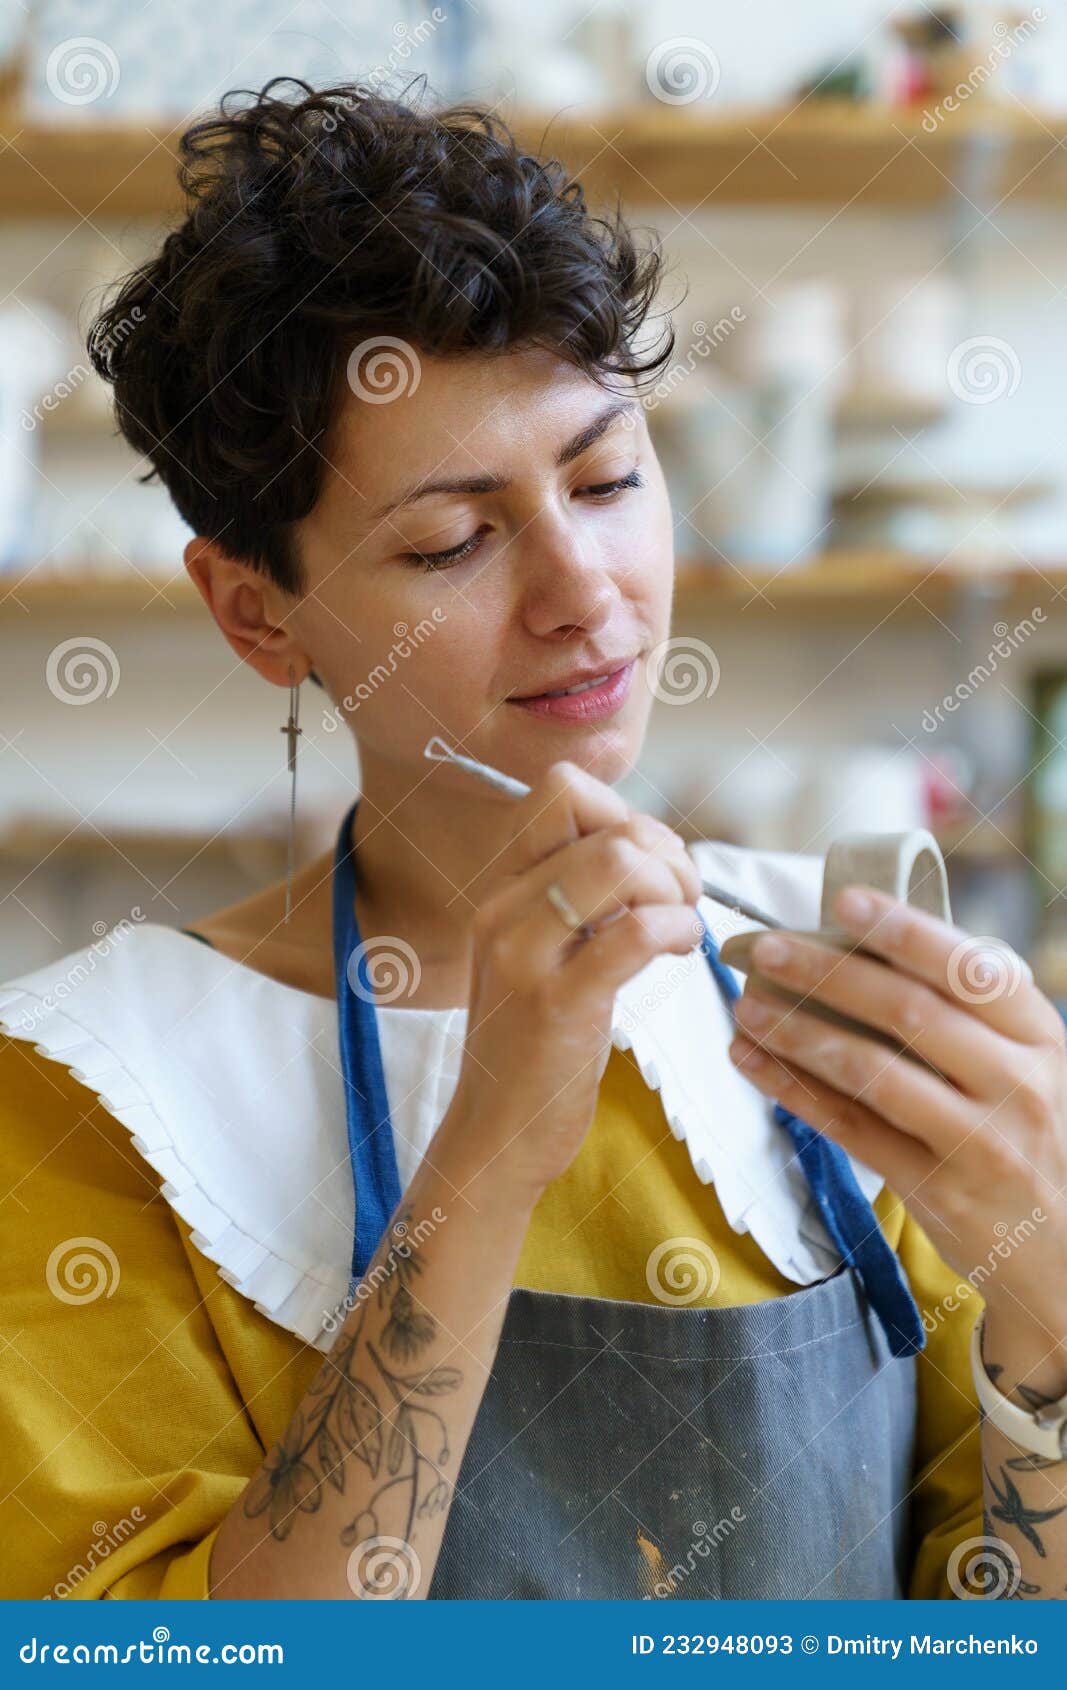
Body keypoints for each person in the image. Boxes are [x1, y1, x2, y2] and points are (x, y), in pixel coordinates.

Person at [2, 78, 1065, 1603]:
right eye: (452, 540)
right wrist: (488, 1147)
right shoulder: (90, 1095)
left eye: (610, 477)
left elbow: (1000, 1627)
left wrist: (1052, 1294)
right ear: (257, 610)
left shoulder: (830, 988)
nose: (587, 591)